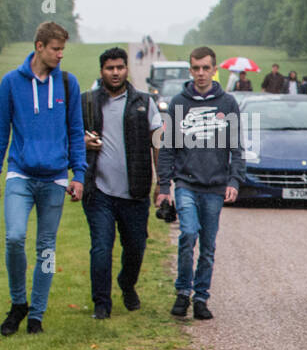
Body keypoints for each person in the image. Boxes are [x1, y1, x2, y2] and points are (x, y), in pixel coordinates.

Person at [0, 21, 86, 335]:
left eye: (63, 49)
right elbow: (1, 133)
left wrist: (78, 174)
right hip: (20, 175)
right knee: (14, 238)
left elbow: (76, 131)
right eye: (56, 49)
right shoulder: (10, 83)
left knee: (46, 249)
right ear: (40, 47)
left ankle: (36, 314)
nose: (61, 54)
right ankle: (18, 302)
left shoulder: (68, 83)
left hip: (54, 180)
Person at [155, 46, 244, 321]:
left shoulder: (227, 103)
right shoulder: (179, 103)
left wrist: (234, 180)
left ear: (214, 69)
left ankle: (201, 297)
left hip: (215, 187)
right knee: (188, 234)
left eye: (206, 68)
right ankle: (183, 292)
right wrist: (163, 187)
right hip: (186, 183)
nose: (201, 73)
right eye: (196, 68)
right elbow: (168, 147)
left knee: (208, 246)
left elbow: (237, 147)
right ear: (190, 70)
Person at [81, 47, 164, 319]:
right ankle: (101, 304)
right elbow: (68, 137)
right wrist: (82, 142)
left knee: (136, 247)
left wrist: (162, 183)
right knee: (102, 247)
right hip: (99, 191)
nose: (115, 73)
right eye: (109, 68)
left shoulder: (144, 102)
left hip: (135, 191)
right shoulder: (87, 103)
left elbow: (158, 143)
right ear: (101, 71)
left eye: (119, 67)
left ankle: (127, 284)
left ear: (126, 69)